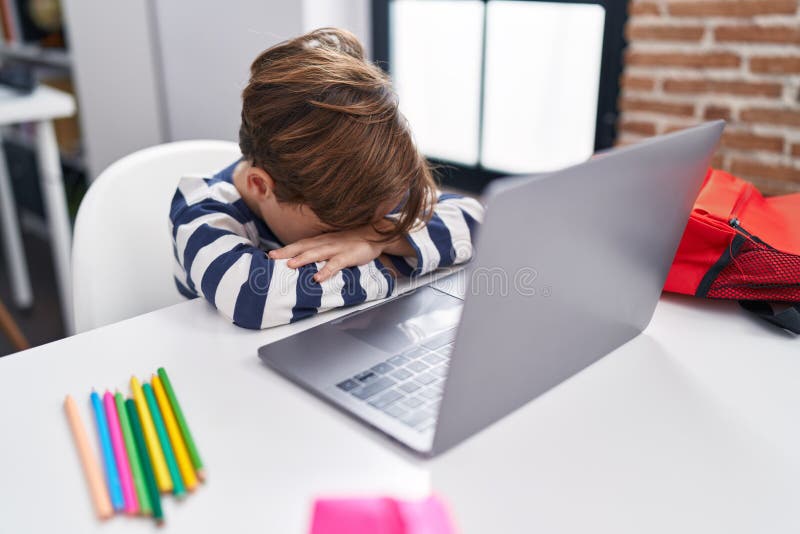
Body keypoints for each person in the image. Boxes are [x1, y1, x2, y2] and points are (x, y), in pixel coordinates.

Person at [169, 28, 484, 329]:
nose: (349, 239)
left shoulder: (362, 188)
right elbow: (255, 295)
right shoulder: (201, 212)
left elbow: (479, 223)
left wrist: (379, 236)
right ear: (260, 186)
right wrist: (396, 262)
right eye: (335, 229)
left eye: (361, 226)